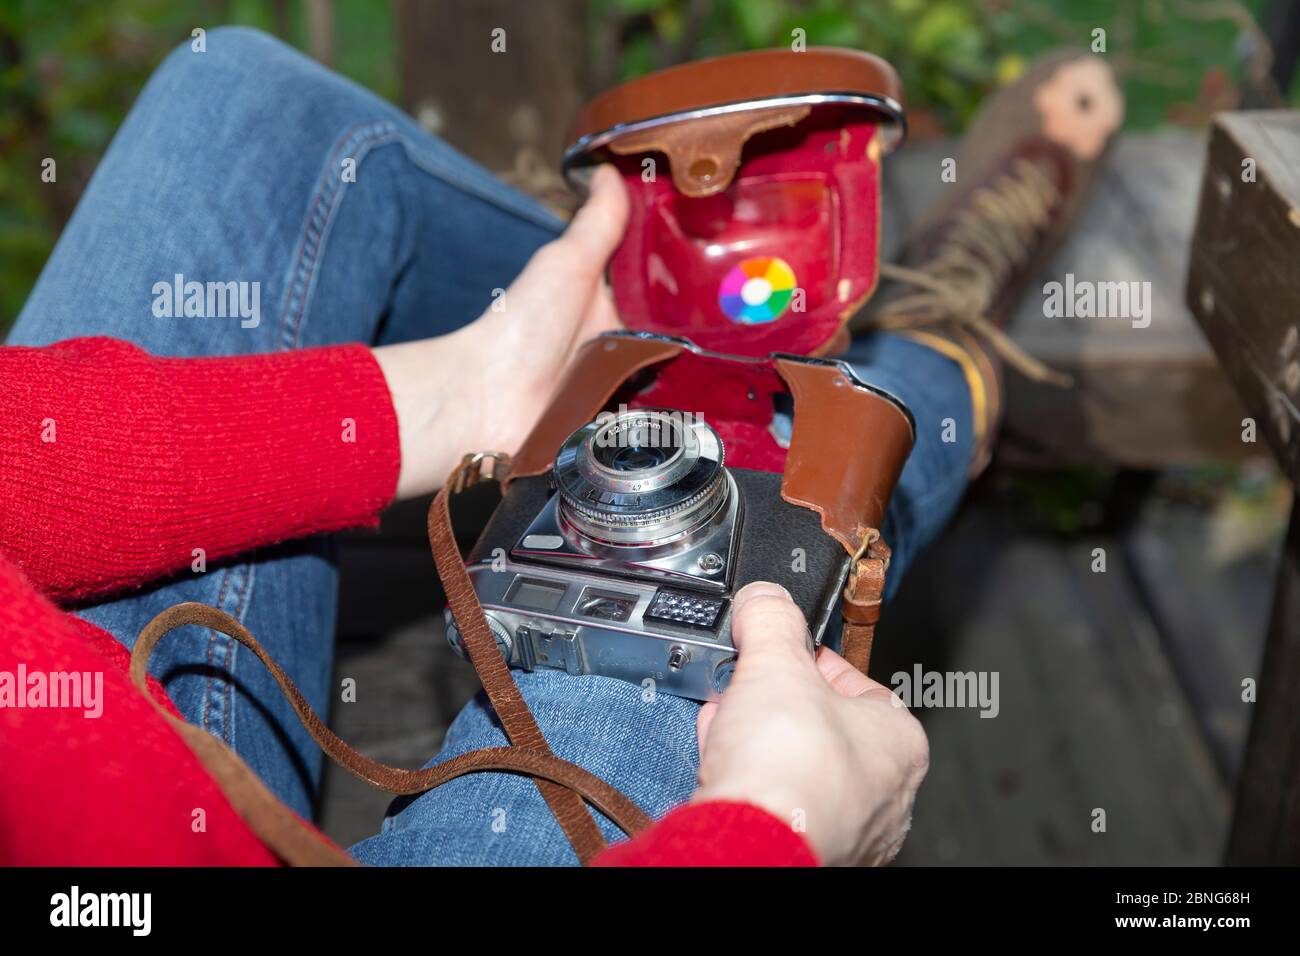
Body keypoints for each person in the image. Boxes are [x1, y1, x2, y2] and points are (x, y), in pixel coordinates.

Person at [1, 28, 1119, 865]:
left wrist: (448, 398)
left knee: (238, 96)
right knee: (695, 587)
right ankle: (943, 334)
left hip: (81, 721)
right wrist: (774, 824)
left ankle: (670, 319)